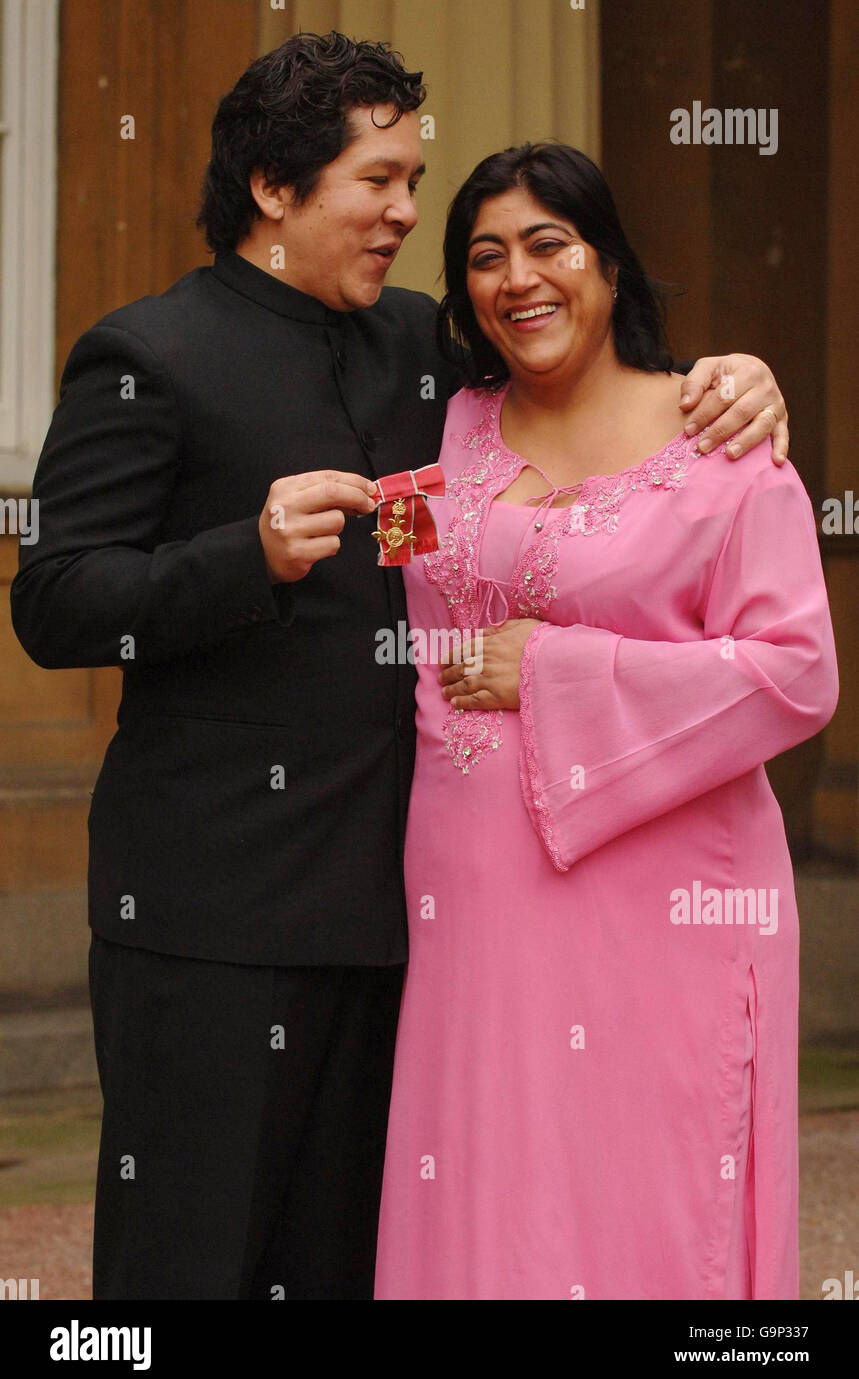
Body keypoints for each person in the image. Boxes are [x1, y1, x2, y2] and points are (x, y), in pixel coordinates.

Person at [11, 33, 790, 1301]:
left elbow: (584, 368)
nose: (406, 213)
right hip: (212, 917)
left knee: (342, 1267)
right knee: (185, 1270)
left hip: (401, 922)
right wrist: (242, 553)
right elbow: (52, 602)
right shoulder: (145, 356)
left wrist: (735, 375)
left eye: (415, 181)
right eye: (378, 181)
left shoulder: (422, 353)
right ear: (273, 184)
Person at [374, 142, 838, 1301]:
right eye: (484, 256)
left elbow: (795, 673)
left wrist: (557, 666)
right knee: (486, 1183)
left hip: (671, 897)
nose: (517, 277)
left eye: (547, 245)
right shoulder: (438, 445)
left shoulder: (723, 449)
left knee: (649, 1182)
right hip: (471, 893)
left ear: (609, 265)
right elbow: (398, 625)